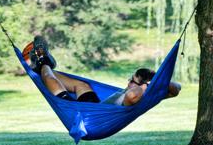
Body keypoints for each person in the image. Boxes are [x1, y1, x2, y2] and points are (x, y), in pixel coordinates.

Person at [25, 36, 181, 106]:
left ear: (141, 85)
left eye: (131, 80)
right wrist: (156, 82)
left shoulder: (135, 97)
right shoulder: (150, 94)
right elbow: (177, 89)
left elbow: (133, 95)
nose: (128, 82)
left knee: (47, 76)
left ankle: (43, 62)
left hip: (84, 115)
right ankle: (44, 64)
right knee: (81, 85)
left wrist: (147, 86)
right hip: (94, 106)